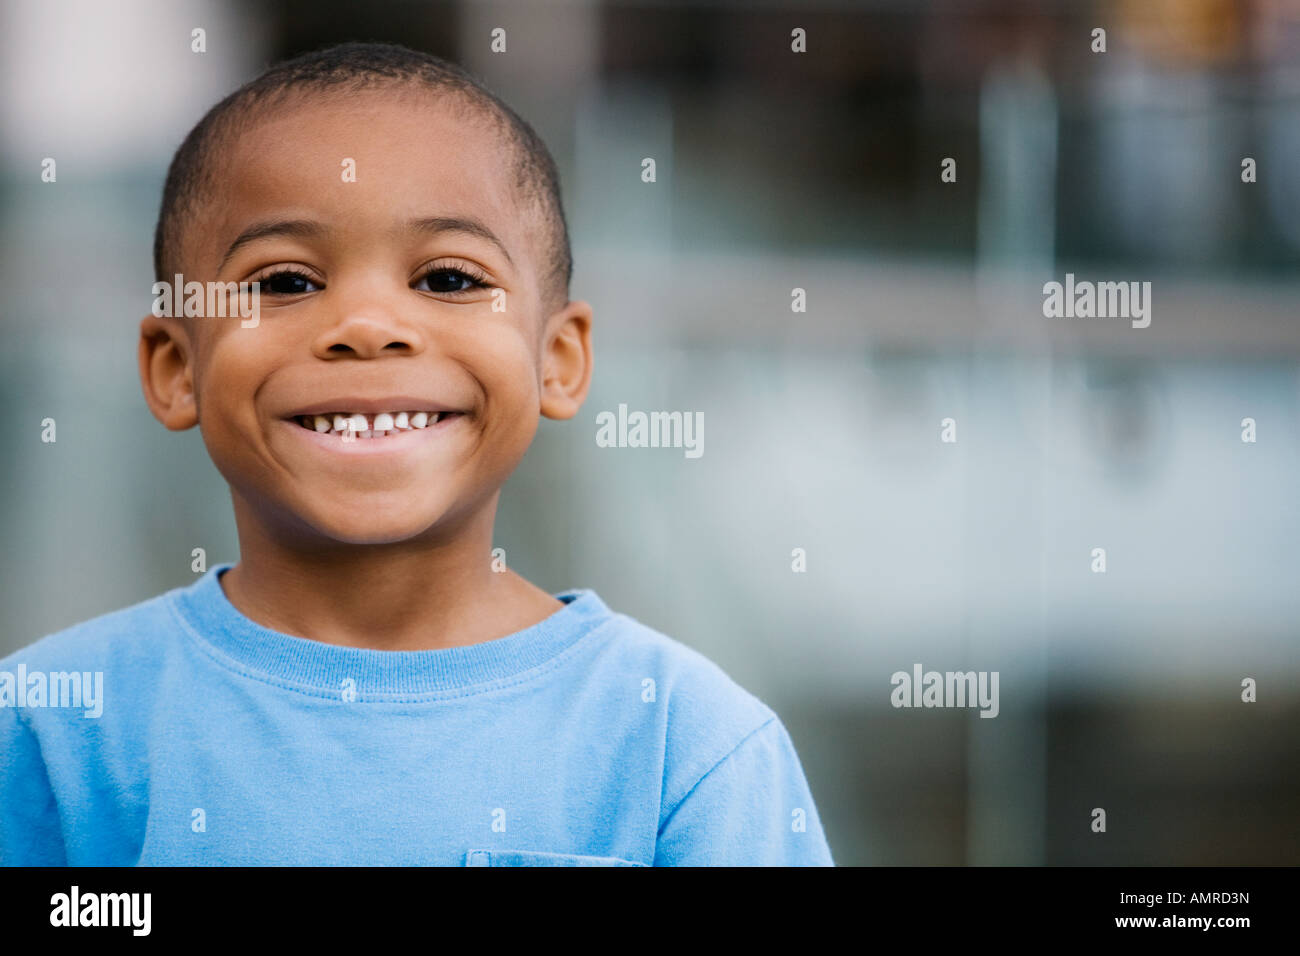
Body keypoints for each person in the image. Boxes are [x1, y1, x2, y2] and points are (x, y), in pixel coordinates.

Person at [0, 42, 833, 866]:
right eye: (285, 281)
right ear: (177, 368)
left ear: (559, 359)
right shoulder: (53, 726)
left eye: (448, 280)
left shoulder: (684, 749)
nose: (367, 326)